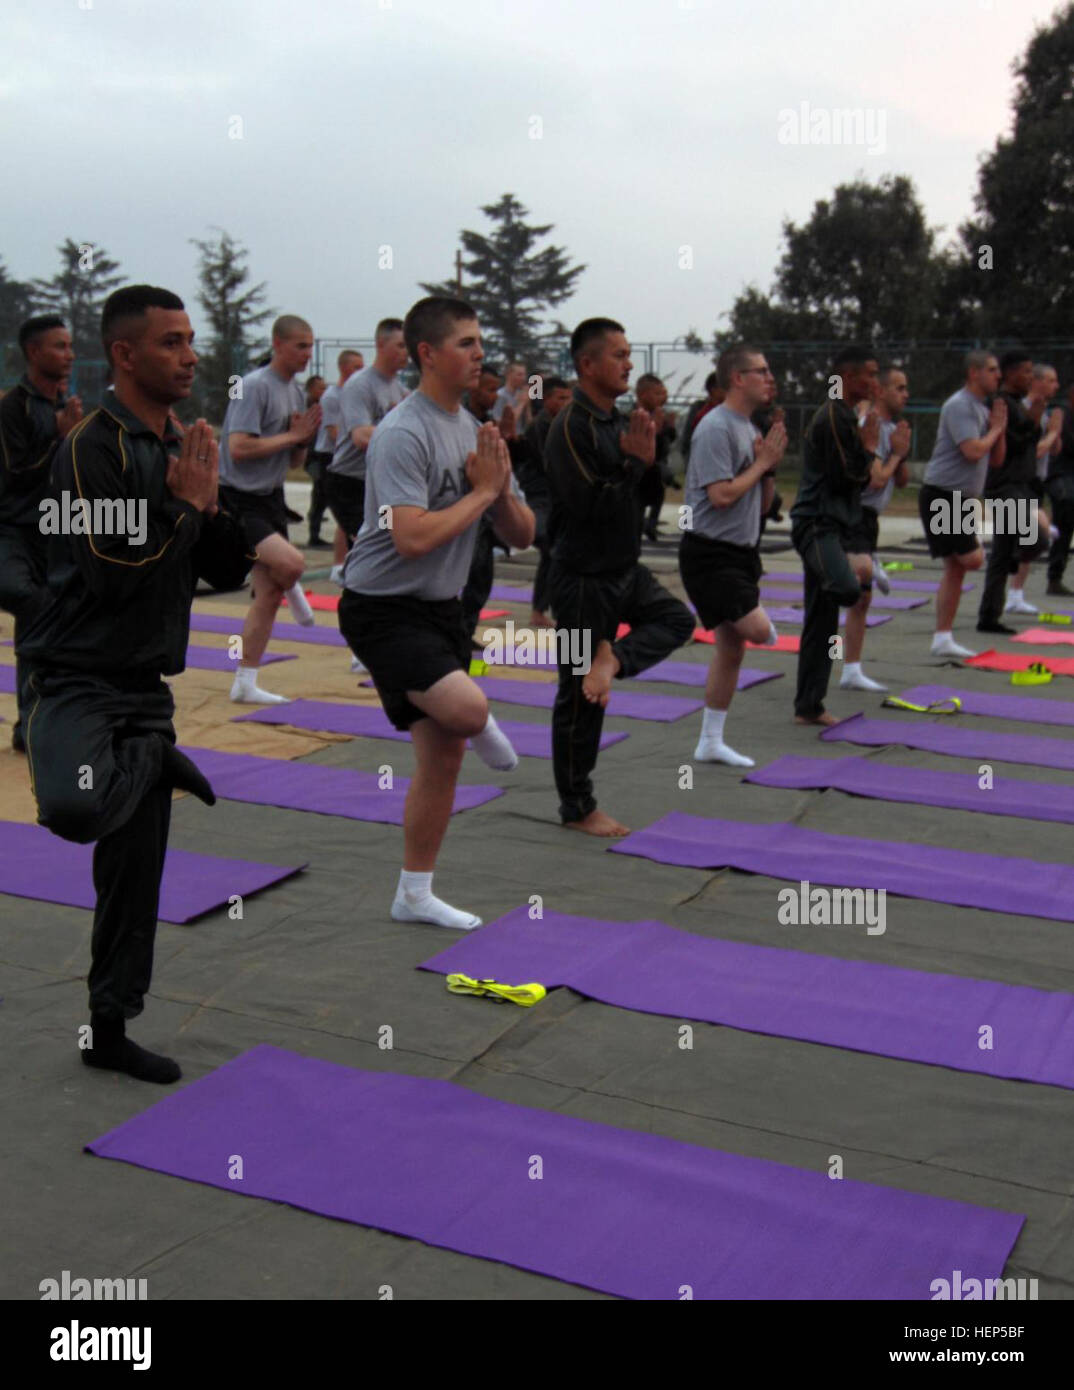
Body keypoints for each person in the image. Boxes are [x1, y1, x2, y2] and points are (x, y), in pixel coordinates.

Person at [17, 285, 253, 1083]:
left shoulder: (181, 444)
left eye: (191, 340)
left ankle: (109, 1029)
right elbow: (114, 572)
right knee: (77, 807)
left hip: (144, 685)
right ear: (124, 355)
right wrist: (187, 512)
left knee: (133, 875)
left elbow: (221, 568)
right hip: (74, 677)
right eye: (170, 343)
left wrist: (214, 511)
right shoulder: (92, 448)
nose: (189, 356)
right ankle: (153, 762)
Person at [338, 296, 534, 930]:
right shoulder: (403, 432)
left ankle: (414, 893)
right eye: (466, 343)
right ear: (428, 353)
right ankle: (483, 722)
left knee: (443, 757)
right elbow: (411, 538)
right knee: (467, 710)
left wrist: (497, 488)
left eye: (480, 342)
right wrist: (480, 492)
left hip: (443, 612)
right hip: (381, 609)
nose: (479, 354)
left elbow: (525, 533)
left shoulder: (477, 430)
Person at [544, 318, 694, 836]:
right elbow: (588, 506)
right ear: (587, 364)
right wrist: (633, 466)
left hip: (622, 570)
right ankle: (577, 807)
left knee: (677, 620)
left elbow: (640, 494)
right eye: (618, 355)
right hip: (583, 577)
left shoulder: (620, 422)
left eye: (630, 354)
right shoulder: (570, 427)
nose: (629, 363)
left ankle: (614, 657)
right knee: (578, 696)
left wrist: (647, 463)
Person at [679, 345, 785, 766]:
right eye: (760, 371)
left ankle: (710, 740)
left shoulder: (750, 426)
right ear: (738, 379)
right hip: (709, 554)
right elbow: (721, 496)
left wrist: (770, 468)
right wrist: (761, 466)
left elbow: (759, 507)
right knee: (759, 632)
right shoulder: (715, 428)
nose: (769, 377)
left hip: (742, 552)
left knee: (732, 648)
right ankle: (708, 740)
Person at [217, 315, 322, 702]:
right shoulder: (252, 387)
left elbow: (293, 462)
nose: (307, 354)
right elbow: (238, 448)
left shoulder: (295, 393)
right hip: (238, 498)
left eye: (311, 346)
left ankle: (245, 682)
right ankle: (295, 589)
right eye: (300, 346)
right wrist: (291, 435)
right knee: (291, 565)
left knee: (268, 595)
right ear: (277, 344)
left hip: (271, 497)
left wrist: (302, 441)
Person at [789, 346, 885, 725]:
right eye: (871, 375)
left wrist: (866, 446)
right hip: (816, 525)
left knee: (822, 624)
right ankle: (809, 702)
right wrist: (871, 449)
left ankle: (809, 705)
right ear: (849, 377)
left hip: (832, 524)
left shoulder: (843, 414)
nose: (875, 382)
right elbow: (851, 476)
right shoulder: (833, 416)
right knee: (846, 589)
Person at [0, 315, 82, 750]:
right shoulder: (12, 407)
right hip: (10, 531)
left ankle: (33, 722)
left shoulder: (66, 405)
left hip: (53, 530)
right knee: (29, 603)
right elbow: (15, 475)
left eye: (70, 346)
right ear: (34, 352)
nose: (69, 355)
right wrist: (58, 438)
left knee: (53, 617)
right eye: (59, 346)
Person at [919, 351, 1006, 656]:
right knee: (972, 559)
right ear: (974, 373)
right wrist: (994, 429)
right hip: (944, 495)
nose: (998, 375)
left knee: (956, 569)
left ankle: (942, 637)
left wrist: (1000, 427)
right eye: (992, 370)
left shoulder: (982, 409)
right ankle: (941, 636)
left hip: (962, 499)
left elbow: (996, 459)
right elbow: (971, 451)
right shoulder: (959, 405)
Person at [840, 366, 912, 692]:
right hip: (851, 511)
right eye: (899, 388)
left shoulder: (893, 428)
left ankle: (851, 669)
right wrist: (896, 453)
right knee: (859, 575)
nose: (905, 394)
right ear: (880, 392)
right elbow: (877, 478)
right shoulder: (865, 425)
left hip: (871, 520)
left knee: (862, 601)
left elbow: (903, 480)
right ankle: (871, 563)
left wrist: (902, 452)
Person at [977, 351, 1046, 634]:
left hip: (1021, 486)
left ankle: (989, 617)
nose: (1031, 377)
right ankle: (1017, 554)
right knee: (1036, 537)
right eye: (1026, 372)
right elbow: (1010, 444)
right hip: (1005, 487)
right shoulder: (1002, 403)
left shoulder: (1019, 405)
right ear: (1010, 373)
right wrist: (1033, 421)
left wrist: (1034, 421)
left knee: (1002, 554)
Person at [326, 321, 408, 551]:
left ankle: (346, 572)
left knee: (386, 544)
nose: (406, 352)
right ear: (380, 344)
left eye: (408, 346)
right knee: (370, 548)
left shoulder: (397, 387)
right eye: (400, 345)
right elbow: (361, 436)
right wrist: (402, 435)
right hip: (350, 483)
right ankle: (346, 575)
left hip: (379, 483)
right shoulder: (360, 384)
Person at [520, 375, 572, 626]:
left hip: (553, 496)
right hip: (536, 496)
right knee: (550, 548)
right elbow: (549, 464)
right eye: (561, 398)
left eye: (568, 397)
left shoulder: (563, 424)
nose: (566, 402)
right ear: (547, 399)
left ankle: (539, 611)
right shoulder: (540, 426)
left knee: (552, 553)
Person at [310, 349, 362, 557]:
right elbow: (333, 431)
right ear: (343, 368)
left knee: (345, 516)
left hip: (347, 458)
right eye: (356, 367)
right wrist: (359, 439)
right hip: (329, 456)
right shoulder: (332, 396)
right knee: (321, 499)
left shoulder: (355, 393)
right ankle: (314, 535)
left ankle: (342, 561)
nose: (360, 371)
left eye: (362, 367)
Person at [634, 373, 678, 542]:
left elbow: (669, 439)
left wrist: (669, 427)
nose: (662, 398)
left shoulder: (660, 414)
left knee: (658, 497)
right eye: (657, 394)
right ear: (644, 394)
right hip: (641, 471)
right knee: (637, 504)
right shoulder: (635, 415)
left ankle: (651, 525)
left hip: (658, 467)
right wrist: (656, 430)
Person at [1046, 381, 1074, 596]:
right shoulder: (1061, 415)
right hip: (1061, 478)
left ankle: (1055, 577)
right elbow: (1065, 447)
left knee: (1065, 527)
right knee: (1064, 522)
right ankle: (1054, 578)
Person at [680, 372, 724, 460]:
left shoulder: (728, 410)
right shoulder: (702, 412)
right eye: (725, 386)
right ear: (714, 390)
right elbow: (688, 440)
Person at [491, 359, 531, 431]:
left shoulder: (520, 394)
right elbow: (504, 425)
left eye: (524, 375)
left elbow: (530, 424)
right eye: (519, 375)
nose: (523, 378)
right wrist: (521, 404)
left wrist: (527, 405)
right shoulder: (500, 395)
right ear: (509, 375)